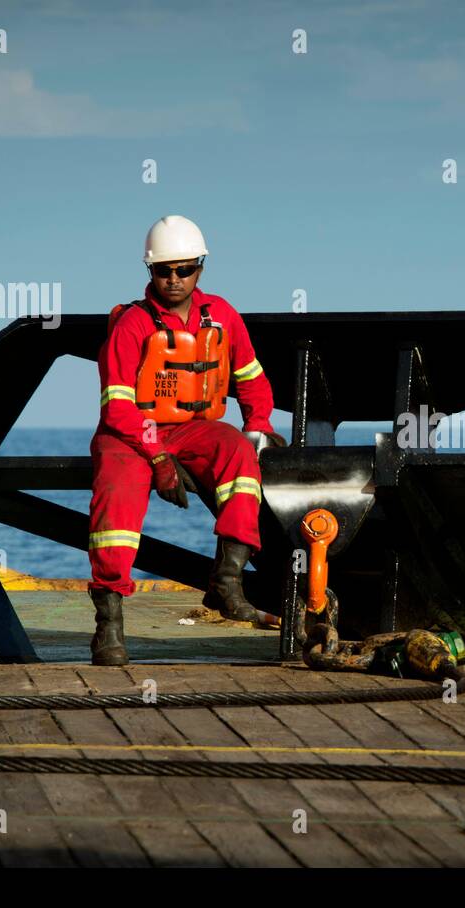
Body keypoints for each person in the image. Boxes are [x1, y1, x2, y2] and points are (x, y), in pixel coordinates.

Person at [87, 215, 285, 665]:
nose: (174, 279)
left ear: (200, 268)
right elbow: (117, 407)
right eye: (163, 270)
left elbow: (252, 377)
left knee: (237, 452)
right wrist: (157, 457)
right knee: (115, 500)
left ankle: (226, 580)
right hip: (129, 433)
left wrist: (258, 424)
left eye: (184, 269)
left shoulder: (224, 316)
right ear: (149, 271)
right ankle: (109, 627)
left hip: (193, 429)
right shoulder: (132, 325)